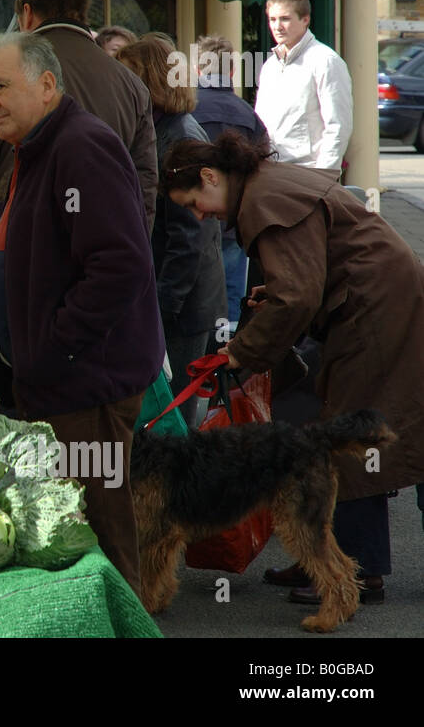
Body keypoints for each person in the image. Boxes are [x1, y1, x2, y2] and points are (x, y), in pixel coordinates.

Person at [162, 132, 424, 605]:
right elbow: (308, 275)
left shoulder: (264, 200)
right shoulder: (264, 185)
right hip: (380, 295)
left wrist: (240, 353)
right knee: (363, 426)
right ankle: (332, 561)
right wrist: (278, 298)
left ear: (209, 176)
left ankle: (355, 573)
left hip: (375, 307)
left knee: (348, 430)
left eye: (195, 202)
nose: (201, 214)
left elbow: (298, 295)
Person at [0, 32, 163, 593]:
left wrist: (56, 348)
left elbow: (119, 264)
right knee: (73, 528)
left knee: (100, 534)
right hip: (63, 380)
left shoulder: (81, 146)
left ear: (48, 84)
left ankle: (124, 626)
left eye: (2, 87)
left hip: (86, 384)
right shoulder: (40, 147)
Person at [0, 0, 158, 232]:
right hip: (103, 228)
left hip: (18, 228)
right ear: (81, 12)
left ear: (26, 14)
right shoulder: (132, 85)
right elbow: (145, 179)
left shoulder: (8, 69)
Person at [116, 38, 226, 421]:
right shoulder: (160, 130)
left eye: (129, 77)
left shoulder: (180, 138)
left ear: (151, 81)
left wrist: (160, 309)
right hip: (175, 302)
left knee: (175, 418)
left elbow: (188, 240)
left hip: (182, 310)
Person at [191, 34, 269, 325]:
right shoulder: (248, 116)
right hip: (234, 218)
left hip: (196, 216)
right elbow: (264, 167)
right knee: (231, 295)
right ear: (233, 70)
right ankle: (225, 355)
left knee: (198, 292)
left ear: (199, 69)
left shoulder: (187, 111)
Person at [254, 0, 352, 173]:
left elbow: (338, 126)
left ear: (305, 19)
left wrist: (323, 177)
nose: (277, 26)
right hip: (268, 171)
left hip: (306, 172)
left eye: (285, 19)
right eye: (272, 19)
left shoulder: (326, 61)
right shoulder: (269, 66)